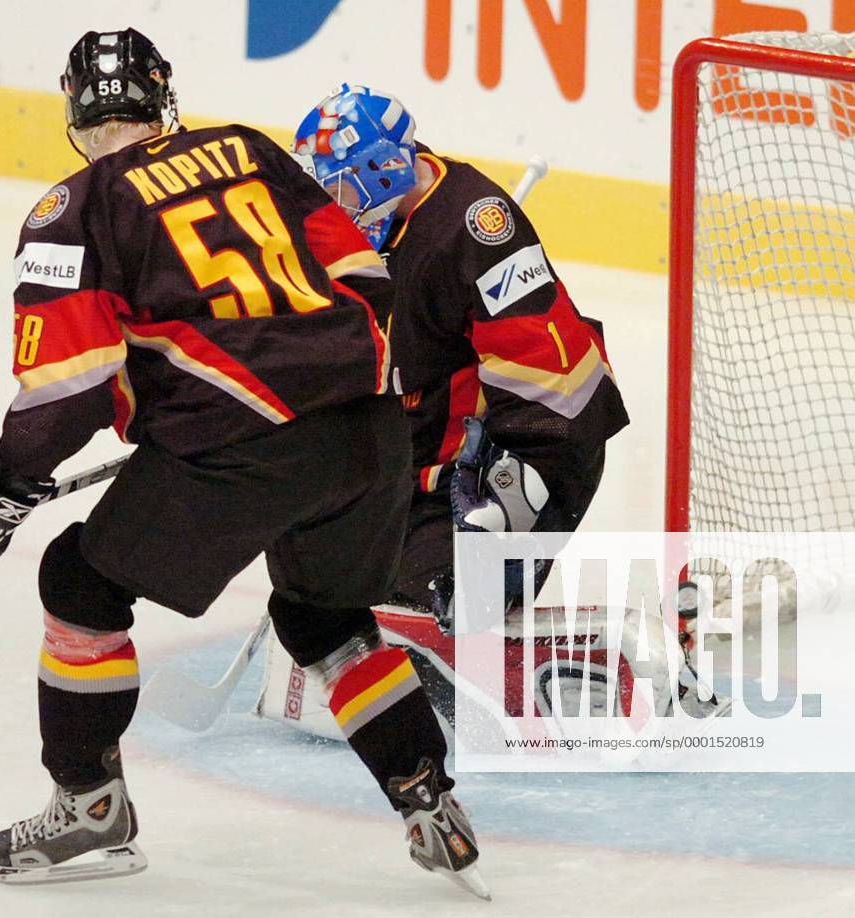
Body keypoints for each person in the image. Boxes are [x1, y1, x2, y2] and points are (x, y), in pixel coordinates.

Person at [0, 34, 489, 900]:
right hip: (371, 429)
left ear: (75, 111)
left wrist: (0, 478)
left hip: (241, 448)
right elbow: (368, 276)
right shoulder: (252, 151)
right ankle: (426, 795)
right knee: (322, 616)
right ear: (160, 95)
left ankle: (89, 807)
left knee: (80, 582)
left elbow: (67, 391)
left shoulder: (72, 210)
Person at [256, 85, 727, 738]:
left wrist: (510, 498)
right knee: (311, 571)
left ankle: (629, 667)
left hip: (521, 458)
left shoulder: (473, 231)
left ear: (383, 173)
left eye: (340, 191)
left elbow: (561, 389)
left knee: (430, 597)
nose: (327, 208)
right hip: (416, 462)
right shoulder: (353, 228)